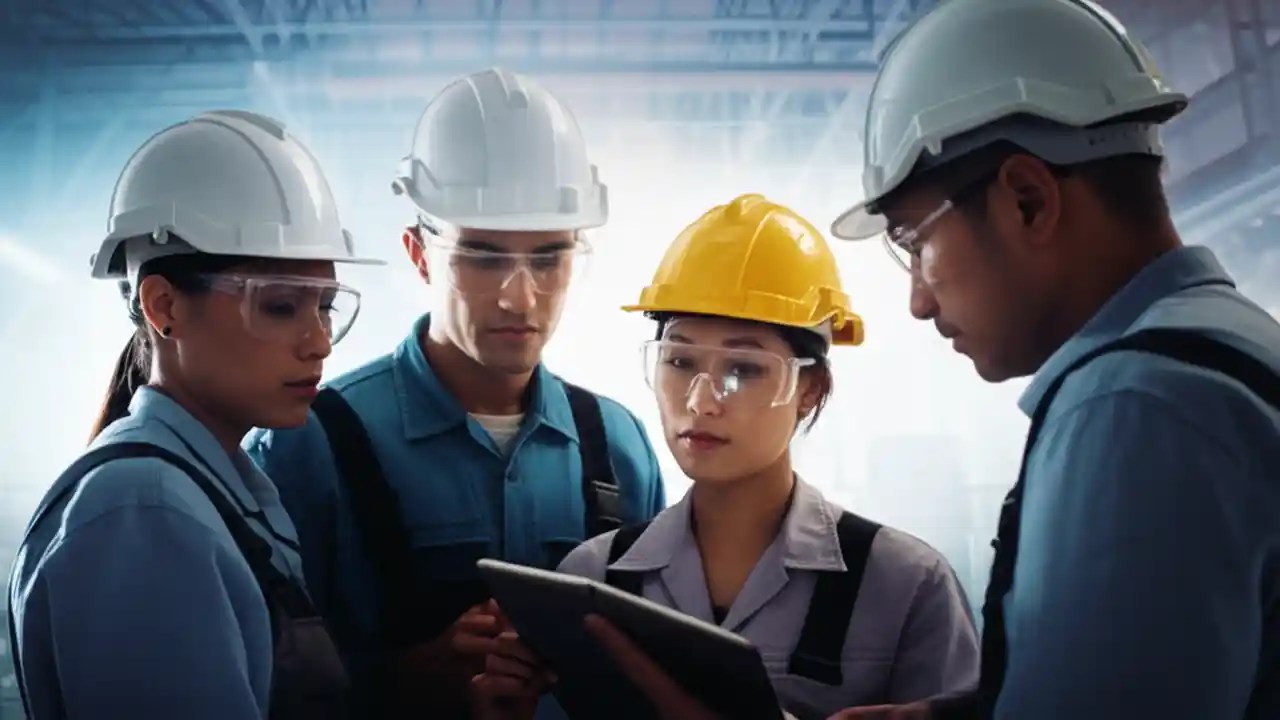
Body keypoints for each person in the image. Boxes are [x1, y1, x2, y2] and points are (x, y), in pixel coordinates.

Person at [573, 1, 1280, 718]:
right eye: (679, 361)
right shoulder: (1219, 361)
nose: (916, 299)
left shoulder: (1135, 411)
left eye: (914, 241)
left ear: (1029, 201)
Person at [243, 67, 666, 719]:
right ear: (419, 254)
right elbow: (256, 684)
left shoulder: (618, 446)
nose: (519, 296)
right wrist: (406, 680)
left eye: (548, 259)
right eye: (484, 257)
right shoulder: (307, 444)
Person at [472, 194, 980, 720]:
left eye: (743, 369)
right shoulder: (592, 579)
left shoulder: (905, 587)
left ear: (811, 389)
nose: (700, 400)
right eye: (680, 360)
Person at [6, 109, 383, 719]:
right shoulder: (145, 512)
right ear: (165, 307)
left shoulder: (211, 491)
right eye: (283, 306)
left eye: (327, 308)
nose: (320, 343)